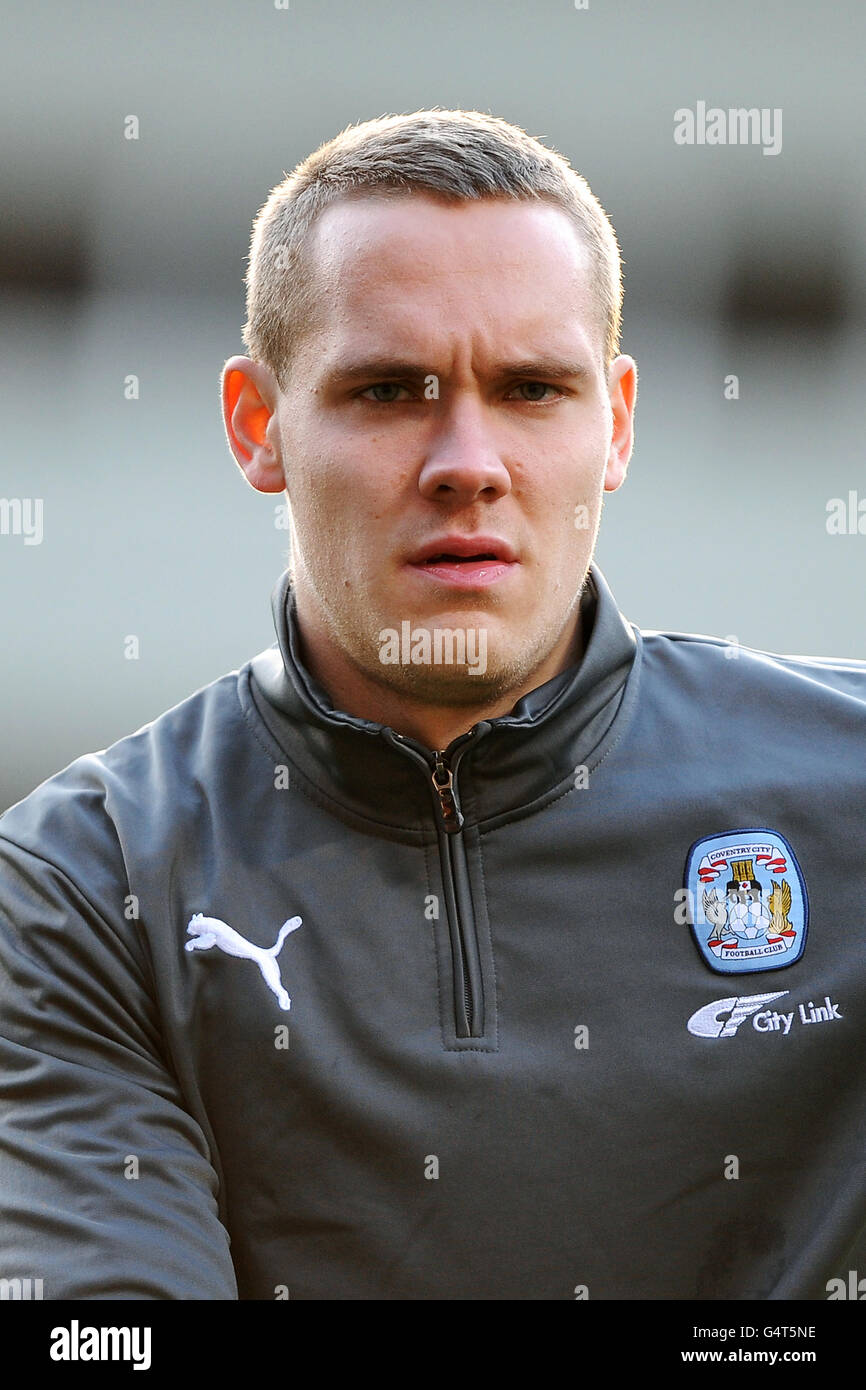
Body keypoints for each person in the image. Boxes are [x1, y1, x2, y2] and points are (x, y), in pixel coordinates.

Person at [1, 107, 865, 1302]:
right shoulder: (86, 882)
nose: (467, 459)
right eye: (390, 390)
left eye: (528, 389)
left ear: (613, 422)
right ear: (260, 426)